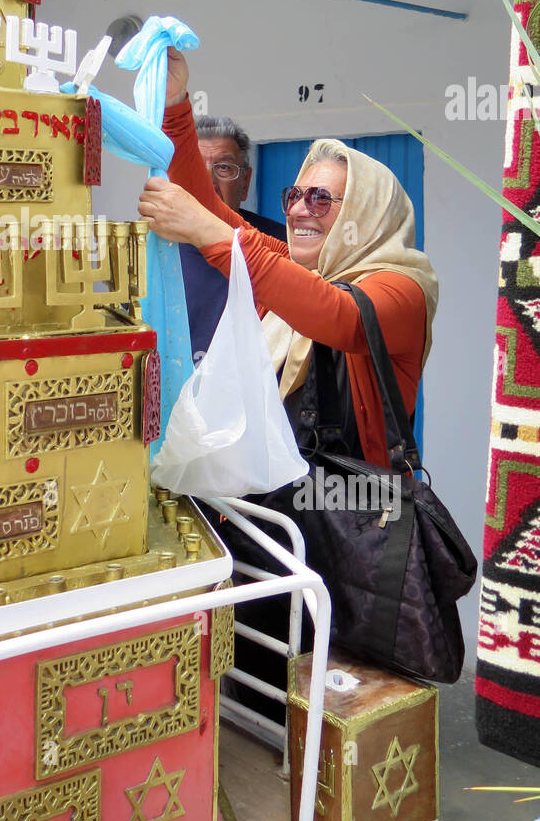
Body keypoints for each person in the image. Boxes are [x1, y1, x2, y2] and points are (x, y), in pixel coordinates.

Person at [138, 49, 439, 717]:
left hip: (347, 530)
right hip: (279, 522)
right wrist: (175, 107)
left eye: (322, 198)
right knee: (252, 673)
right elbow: (208, 211)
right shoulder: (303, 270)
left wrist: (211, 232)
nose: (300, 208)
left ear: (364, 211)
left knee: (317, 685)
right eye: (294, 194)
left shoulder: (400, 289)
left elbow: (333, 316)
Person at [179, 115, 286, 363]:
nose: (207, 183)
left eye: (223, 168)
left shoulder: (279, 246)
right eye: (195, 168)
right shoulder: (150, 250)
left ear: (245, 182)